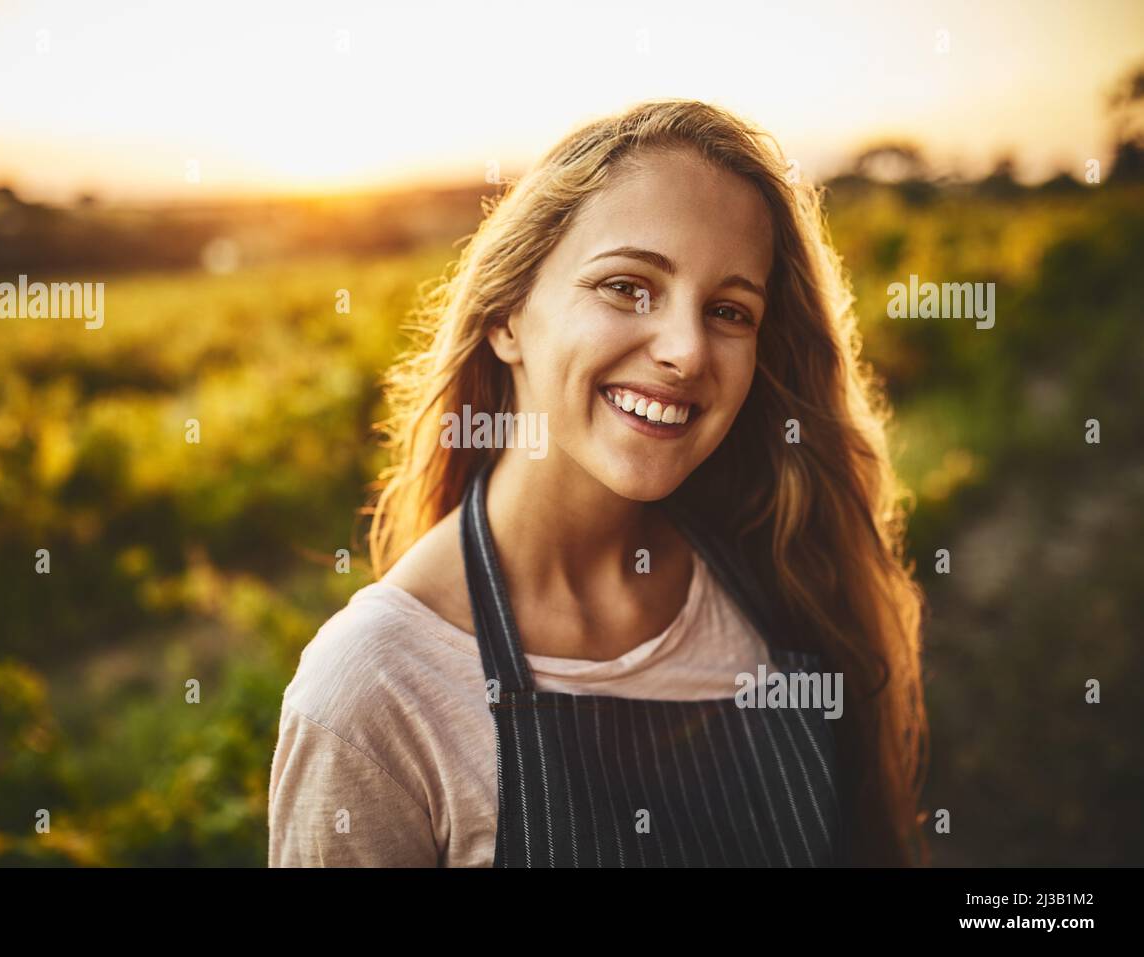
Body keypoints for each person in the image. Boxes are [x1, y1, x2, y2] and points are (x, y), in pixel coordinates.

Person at [268, 98, 928, 867]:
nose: (685, 350)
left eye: (728, 310)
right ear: (508, 316)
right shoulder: (374, 691)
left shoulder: (785, 573)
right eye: (626, 286)